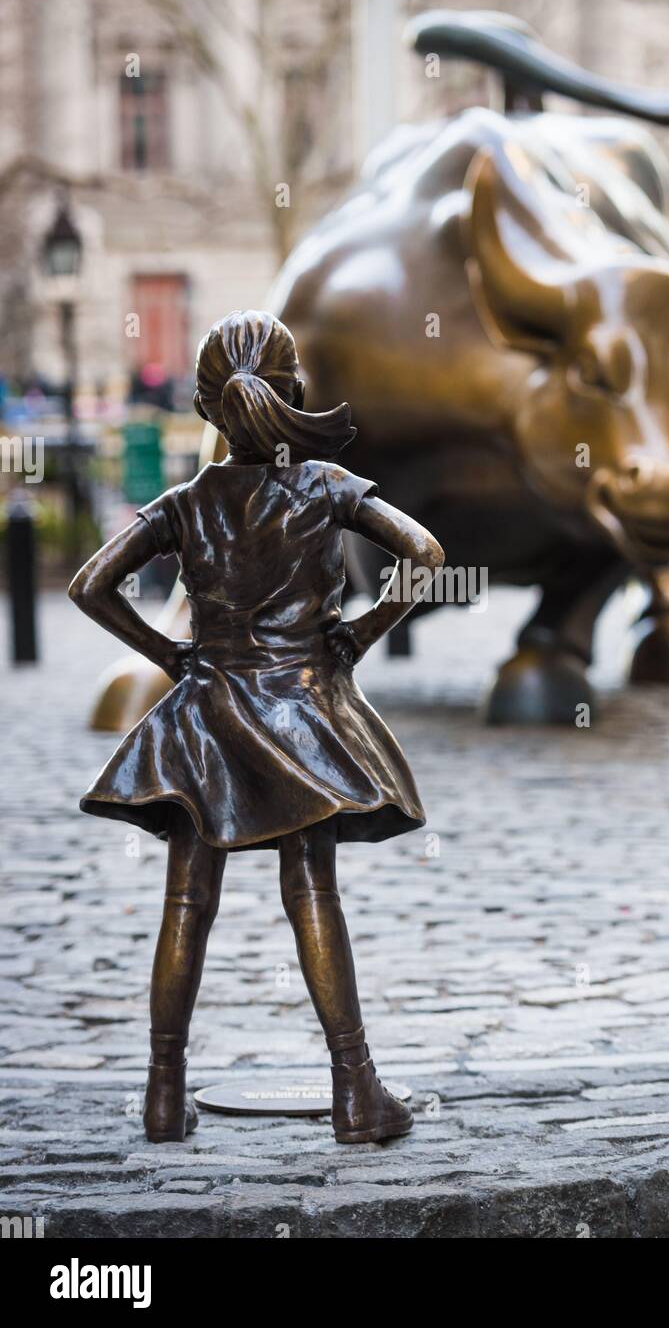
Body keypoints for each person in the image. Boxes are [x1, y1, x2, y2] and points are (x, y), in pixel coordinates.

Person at [69, 310, 443, 1145]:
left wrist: (169, 654)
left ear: (206, 406)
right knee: (311, 891)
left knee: (186, 903)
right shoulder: (325, 487)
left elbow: (90, 586)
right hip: (302, 716)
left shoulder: (184, 502)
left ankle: (163, 1096)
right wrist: (367, 630)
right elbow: (426, 554)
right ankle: (356, 1093)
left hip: (205, 714)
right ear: (293, 392)